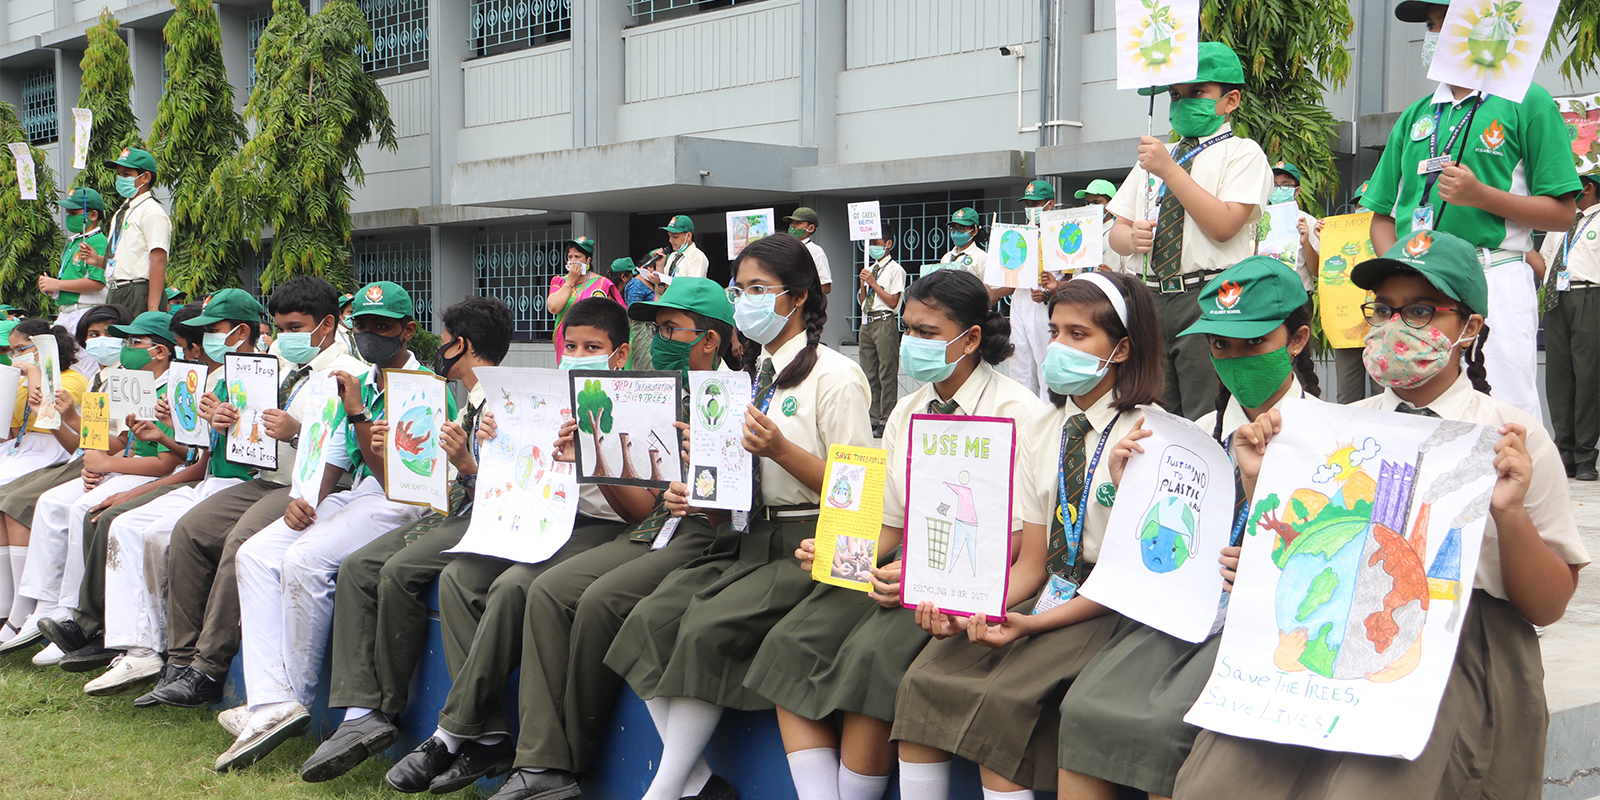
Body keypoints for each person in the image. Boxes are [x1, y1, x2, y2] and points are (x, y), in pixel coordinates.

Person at [1173, 228, 1590, 800]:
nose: (1397, 327)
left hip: (1456, 643)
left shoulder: (1511, 439)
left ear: (1469, 329)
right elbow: (1307, 550)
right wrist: (1257, 483)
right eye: (1384, 310)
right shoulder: (1338, 428)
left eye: (1422, 311)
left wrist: (1510, 513)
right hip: (1326, 624)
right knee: (1217, 784)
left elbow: (1547, 604)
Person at [749, 268, 1044, 800]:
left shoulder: (1020, 414)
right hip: (904, 567)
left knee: (875, 655)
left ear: (971, 338)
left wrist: (917, 572)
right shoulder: (908, 410)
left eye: (927, 333)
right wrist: (845, 549)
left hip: (969, 578)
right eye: (906, 329)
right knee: (790, 641)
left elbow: (1023, 540)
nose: (910, 344)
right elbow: (887, 522)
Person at [603, 234, 872, 800]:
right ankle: (699, 785)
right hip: (747, 535)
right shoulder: (749, 379)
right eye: (739, 288)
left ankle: (664, 790)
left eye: (757, 289)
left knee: (705, 627)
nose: (743, 300)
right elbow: (736, 486)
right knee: (647, 620)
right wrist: (699, 488)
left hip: (807, 539)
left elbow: (860, 496)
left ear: (795, 298)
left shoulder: (836, 376)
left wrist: (779, 450)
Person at [1055, 256, 1323, 800]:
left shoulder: (1329, 441)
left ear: (1296, 340)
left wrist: (1264, 558)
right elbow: (1157, 546)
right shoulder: (1194, 434)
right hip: (1174, 614)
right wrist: (1127, 485)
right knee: (1082, 708)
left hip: (1264, 630)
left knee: (1164, 729)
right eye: (1220, 345)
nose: (1234, 358)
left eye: (1253, 342)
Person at [891, 271, 1165, 799]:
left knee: (1005, 702)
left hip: (1108, 607)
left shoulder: (1152, 434)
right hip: (1047, 592)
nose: (1057, 347)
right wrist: (970, 605)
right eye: (1055, 331)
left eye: (1077, 335)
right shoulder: (1044, 427)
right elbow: (1034, 562)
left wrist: (1024, 625)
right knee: (925, 679)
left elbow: (1132, 574)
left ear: (1123, 348)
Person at [479, 278, 737, 800]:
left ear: (709, 339)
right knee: (546, 591)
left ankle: (560, 762)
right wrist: (596, 462)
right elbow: (641, 504)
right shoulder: (650, 391)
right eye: (657, 328)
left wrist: (703, 486)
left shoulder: (731, 393)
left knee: (598, 601)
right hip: (654, 526)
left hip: (713, 535)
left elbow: (724, 506)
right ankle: (544, 763)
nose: (659, 338)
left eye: (670, 328)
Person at [382, 296, 637, 794]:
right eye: (571, 345)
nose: (577, 354)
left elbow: (637, 512)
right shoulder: (549, 395)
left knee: (515, 586)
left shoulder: (629, 400)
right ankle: (490, 732)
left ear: (620, 355)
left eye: (593, 347)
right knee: (458, 577)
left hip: (602, 526)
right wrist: (496, 447)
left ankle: (451, 731)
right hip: (545, 519)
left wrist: (594, 456)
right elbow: (521, 475)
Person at [216, 281, 449, 772]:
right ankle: (270, 700)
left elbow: (399, 480)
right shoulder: (356, 379)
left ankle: (292, 697)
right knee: (255, 554)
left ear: (408, 330)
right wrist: (307, 499)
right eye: (361, 324)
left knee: (305, 558)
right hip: (357, 494)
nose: (370, 334)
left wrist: (359, 413)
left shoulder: (423, 387)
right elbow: (337, 457)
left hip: (405, 502)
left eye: (382, 325)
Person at [297, 296, 513, 783]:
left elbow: (507, 491)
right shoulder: (462, 398)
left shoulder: (504, 400)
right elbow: (430, 481)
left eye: (445, 344)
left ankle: (390, 710)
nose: (440, 352)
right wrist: (388, 451)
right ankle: (359, 713)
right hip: (454, 506)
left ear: (465, 345)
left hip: (485, 518)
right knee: (357, 566)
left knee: (397, 572)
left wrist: (466, 467)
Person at [132, 278, 366, 709]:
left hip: (308, 485)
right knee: (190, 530)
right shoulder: (277, 365)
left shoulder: (346, 374)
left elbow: (342, 450)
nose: (286, 337)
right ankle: (180, 661)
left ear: (328, 324)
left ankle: (208, 667)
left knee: (241, 541)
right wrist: (228, 418)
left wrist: (296, 434)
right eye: (281, 327)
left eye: (297, 327)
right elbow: (254, 424)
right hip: (267, 477)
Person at [1360, 0, 1581, 420]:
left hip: (1493, 276)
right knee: (1408, 408)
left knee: (1501, 412)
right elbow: (1383, 214)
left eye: (1448, 23)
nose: (1435, 36)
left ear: (1484, 29)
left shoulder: (1527, 101)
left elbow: (1562, 214)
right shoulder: (1416, 115)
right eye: (1430, 26)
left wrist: (1482, 196)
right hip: (1415, 287)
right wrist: (1394, 275)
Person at [1106, 41, 1273, 421]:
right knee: (1152, 410)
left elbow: (1224, 226)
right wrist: (1130, 239)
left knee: (1205, 412)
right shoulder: (1158, 154)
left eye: (1197, 93)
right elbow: (1117, 229)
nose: (1183, 103)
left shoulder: (1241, 153)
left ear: (1230, 100)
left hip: (1209, 294)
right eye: (1175, 95)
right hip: (1149, 295)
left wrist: (1169, 170)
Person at [0, 314, 168, 654]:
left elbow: (136, 448)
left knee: (73, 507)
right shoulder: (106, 380)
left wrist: (104, 461)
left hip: (129, 469)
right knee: (46, 503)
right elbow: (92, 441)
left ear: (162, 350)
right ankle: (38, 608)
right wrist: (78, 432)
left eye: (132, 341)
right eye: (93, 335)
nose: (118, 346)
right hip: (96, 462)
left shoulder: (143, 384)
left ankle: (72, 616)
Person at [1538, 169, 1600, 481]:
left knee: (1588, 376)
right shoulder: (1561, 222)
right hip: (1556, 298)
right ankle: (1563, 452)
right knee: (1558, 376)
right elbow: (1544, 259)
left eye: (1575, 187)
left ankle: (1586, 455)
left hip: (1591, 296)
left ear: (1588, 188)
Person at [0, 320, 90, 484]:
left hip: (56, 446)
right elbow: (12, 431)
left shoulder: (72, 379)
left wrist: (33, 370)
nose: (15, 357)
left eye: (20, 349)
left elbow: (47, 411)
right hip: (22, 445)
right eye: (12, 352)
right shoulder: (21, 383)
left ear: (44, 345)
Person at [83, 148, 171, 315]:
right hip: (116, 290)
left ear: (145, 177)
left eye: (126, 174)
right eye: (119, 174)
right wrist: (98, 260)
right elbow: (127, 258)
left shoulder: (151, 212)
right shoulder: (122, 211)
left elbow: (158, 261)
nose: (120, 179)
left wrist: (152, 308)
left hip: (138, 291)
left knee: (137, 340)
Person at [1008, 180, 1060, 398]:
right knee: (1019, 359)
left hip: (1044, 299)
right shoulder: (1022, 233)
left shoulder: (1060, 230)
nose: (1031, 209)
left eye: (1036, 203)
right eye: (1028, 204)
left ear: (1050, 204)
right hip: (1020, 295)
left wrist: (1049, 292)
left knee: (1043, 359)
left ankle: (1049, 416)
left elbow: (1070, 275)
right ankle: (1022, 419)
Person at [38, 188, 111, 336]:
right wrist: (54, 288)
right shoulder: (73, 241)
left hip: (85, 312)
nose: (69, 217)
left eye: (74, 213)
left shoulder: (98, 240)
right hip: (66, 312)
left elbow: (97, 282)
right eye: (68, 213)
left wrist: (57, 284)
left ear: (93, 215)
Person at [857, 221, 907, 436]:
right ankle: (872, 416)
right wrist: (863, 285)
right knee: (869, 372)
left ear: (888, 244)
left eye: (877, 243)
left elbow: (894, 301)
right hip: (867, 321)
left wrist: (874, 284)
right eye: (871, 244)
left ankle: (886, 419)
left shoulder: (896, 270)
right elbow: (863, 300)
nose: (874, 248)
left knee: (886, 372)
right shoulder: (872, 268)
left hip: (885, 321)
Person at [547, 236, 626, 365]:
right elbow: (553, 307)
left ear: (588, 260)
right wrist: (571, 280)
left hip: (594, 341)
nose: (573, 261)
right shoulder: (559, 281)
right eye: (570, 257)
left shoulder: (603, 284)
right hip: (567, 341)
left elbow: (617, 314)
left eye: (577, 257)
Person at [1333, 182, 1376, 404]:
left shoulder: (1395, 232)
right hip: (1347, 324)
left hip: (1382, 322)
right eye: (1359, 204)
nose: (1362, 209)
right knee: (1348, 397)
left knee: (1385, 394)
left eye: (1368, 205)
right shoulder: (1339, 236)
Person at [1268, 161, 1322, 292]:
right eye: (1274, 185)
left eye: (1285, 185)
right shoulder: (1257, 220)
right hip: (1265, 295)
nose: (1278, 189)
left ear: (1296, 190)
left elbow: (1317, 271)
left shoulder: (1308, 221)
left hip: (1298, 296)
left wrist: (1306, 241)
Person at [1075, 180, 1132, 274]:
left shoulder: (1120, 235)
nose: (1090, 206)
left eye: (1096, 202)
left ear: (1111, 204)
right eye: (1087, 203)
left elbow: (1131, 277)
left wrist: (1113, 277)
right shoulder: (1081, 234)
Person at [618, 255, 657, 370]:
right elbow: (633, 311)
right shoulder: (636, 284)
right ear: (649, 267)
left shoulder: (653, 284)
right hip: (642, 330)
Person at [931, 207, 988, 283]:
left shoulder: (981, 258)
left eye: (963, 228)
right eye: (954, 228)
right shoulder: (947, 257)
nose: (957, 233)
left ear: (974, 231)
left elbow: (990, 290)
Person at [785, 207, 834, 295]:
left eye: (798, 223)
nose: (793, 226)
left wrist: (802, 297)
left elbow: (825, 287)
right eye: (791, 223)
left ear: (811, 228)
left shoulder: (815, 251)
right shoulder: (784, 248)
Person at [663, 215, 710, 279]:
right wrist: (659, 265)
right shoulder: (673, 255)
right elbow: (661, 286)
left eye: (675, 237)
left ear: (688, 236)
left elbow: (693, 286)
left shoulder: (697, 256)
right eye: (669, 236)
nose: (670, 240)